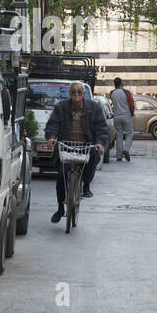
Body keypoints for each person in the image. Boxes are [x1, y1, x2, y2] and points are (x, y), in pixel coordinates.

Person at [44, 82, 108, 223]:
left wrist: (99, 143)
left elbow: (102, 128)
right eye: (73, 92)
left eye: (79, 92)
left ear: (84, 94)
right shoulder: (61, 107)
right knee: (61, 177)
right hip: (66, 147)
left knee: (94, 155)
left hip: (86, 146)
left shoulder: (94, 107)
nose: (76, 95)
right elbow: (53, 124)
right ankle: (60, 208)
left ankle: (86, 185)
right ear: (70, 94)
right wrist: (51, 138)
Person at [109, 77, 136, 161]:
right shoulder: (126, 92)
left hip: (117, 116)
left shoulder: (112, 93)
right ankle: (126, 149)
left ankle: (119, 156)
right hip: (126, 115)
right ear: (121, 83)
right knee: (130, 133)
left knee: (119, 135)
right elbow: (131, 104)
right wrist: (132, 113)